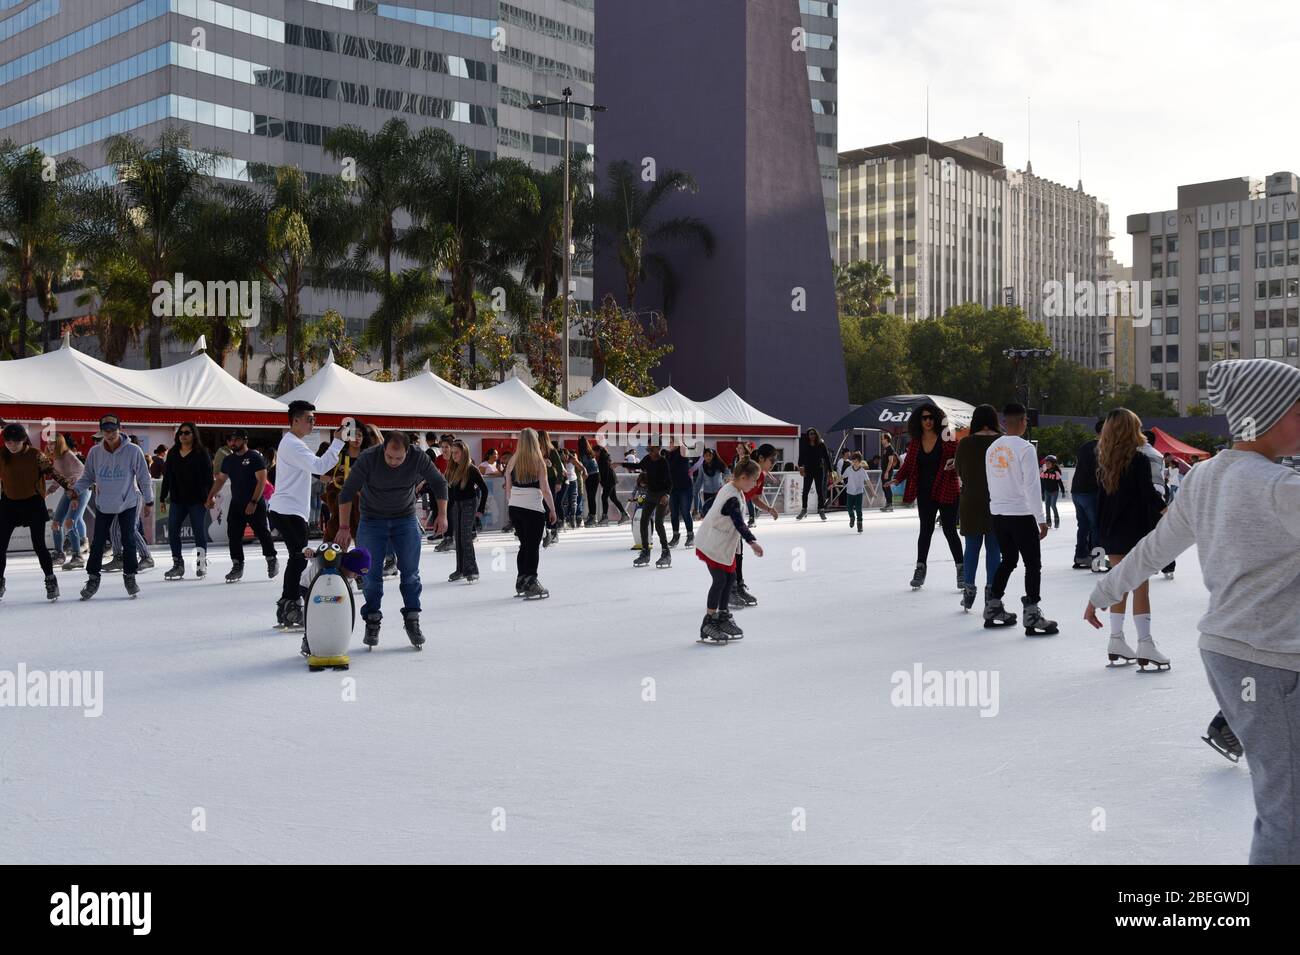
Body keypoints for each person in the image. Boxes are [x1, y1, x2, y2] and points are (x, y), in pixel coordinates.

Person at [1084, 358, 1300, 863]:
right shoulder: (1279, 488)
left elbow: (1154, 547)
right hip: (1269, 659)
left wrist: (1103, 591)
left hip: (1229, 655)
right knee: (1287, 810)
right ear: (1268, 415)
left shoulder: (1205, 477)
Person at [334, 431, 447, 649]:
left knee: (411, 573)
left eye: (399, 458)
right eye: (389, 457)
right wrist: (344, 527)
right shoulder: (369, 457)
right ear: (383, 448)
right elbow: (347, 492)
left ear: (408, 451)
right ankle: (372, 619)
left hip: (404, 518)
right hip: (372, 519)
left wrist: (442, 514)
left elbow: (439, 482)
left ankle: (412, 619)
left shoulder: (418, 456)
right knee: (370, 574)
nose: (394, 462)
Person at [1095, 409, 1170, 669]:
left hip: (1112, 532)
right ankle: (1145, 644)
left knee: (1120, 585)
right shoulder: (1138, 460)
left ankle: (1116, 639)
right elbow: (1148, 494)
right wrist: (1167, 511)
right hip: (1135, 531)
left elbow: (1101, 503)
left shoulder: (1104, 461)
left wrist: (1101, 534)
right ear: (1131, 430)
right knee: (1141, 587)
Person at [267, 401, 345, 628]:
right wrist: (338, 441)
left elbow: (310, 470)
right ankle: (290, 604)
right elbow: (320, 466)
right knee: (299, 558)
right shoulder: (293, 444)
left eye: (314, 419)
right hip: (288, 510)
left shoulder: (293, 444)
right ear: (296, 420)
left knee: (298, 557)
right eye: (309, 419)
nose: (313, 422)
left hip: (289, 509)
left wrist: (323, 478)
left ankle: (288, 605)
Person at [983, 403, 1056, 634]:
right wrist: (1041, 519)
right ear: (1024, 420)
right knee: (1032, 563)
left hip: (998, 514)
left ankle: (993, 604)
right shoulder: (1025, 448)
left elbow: (991, 481)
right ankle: (1032, 612)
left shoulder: (993, 448)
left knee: (1009, 559)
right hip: (1021, 514)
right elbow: (1032, 486)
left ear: (1005, 421)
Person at [76, 414, 154, 601]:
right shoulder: (95, 452)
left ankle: (130, 576)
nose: (109, 434)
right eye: (106, 431)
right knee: (97, 543)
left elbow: (144, 477)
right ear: (101, 432)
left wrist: (149, 501)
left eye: (113, 430)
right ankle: (93, 578)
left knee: (128, 539)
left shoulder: (133, 451)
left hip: (128, 502)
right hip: (104, 504)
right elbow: (87, 477)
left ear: (120, 429)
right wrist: (75, 490)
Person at [0, 423, 78, 602]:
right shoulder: (2, 455)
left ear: (23, 441)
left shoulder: (36, 455)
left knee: (39, 545)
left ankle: (50, 579)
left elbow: (54, 473)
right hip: (8, 504)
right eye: (8, 442)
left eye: (15, 442)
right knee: (0, 546)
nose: (11, 445)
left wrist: (70, 490)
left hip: (33, 503)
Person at [892, 402, 963, 590]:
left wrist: (955, 462)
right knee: (926, 530)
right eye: (924, 418)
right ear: (919, 420)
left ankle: (961, 569)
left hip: (946, 487)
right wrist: (897, 479)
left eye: (931, 417)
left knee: (949, 530)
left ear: (937, 419)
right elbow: (908, 465)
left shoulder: (947, 437)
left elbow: (960, 456)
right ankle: (920, 568)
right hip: (925, 492)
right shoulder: (916, 442)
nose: (928, 421)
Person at [694, 458, 765, 643]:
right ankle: (708, 622)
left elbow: (712, 504)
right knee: (719, 580)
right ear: (743, 477)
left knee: (730, 578)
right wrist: (753, 542)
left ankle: (723, 616)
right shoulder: (732, 496)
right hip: (713, 544)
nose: (756, 483)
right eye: (754, 479)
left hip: (723, 544)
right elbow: (739, 523)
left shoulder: (733, 488)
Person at [205, 429, 279, 583]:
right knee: (233, 534)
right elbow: (220, 480)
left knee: (262, 532)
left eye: (236, 440)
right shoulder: (229, 460)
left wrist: (253, 502)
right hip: (237, 503)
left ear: (245, 440)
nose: (232, 443)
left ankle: (271, 559)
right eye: (230, 440)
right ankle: (237, 565)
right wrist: (210, 495)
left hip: (254, 502)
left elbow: (261, 481)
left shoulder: (254, 457)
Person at [954, 403, 1003, 612]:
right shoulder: (1002, 442)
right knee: (994, 550)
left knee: (971, 548)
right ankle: (991, 593)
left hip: (971, 502)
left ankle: (969, 590)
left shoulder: (965, 443)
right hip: (997, 502)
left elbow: (960, 472)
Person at [503, 428, 557, 599]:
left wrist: (512, 503)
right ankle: (531, 580)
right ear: (535, 442)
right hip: (533, 508)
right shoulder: (538, 461)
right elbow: (546, 489)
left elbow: (508, 486)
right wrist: (553, 510)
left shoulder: (513, 460)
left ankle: (521, 580)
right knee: (533, 546)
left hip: (515, 508)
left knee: (524, 545)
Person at [159, 422, 212, 580]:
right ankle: (178, 565)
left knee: (198, 531)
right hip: (177, 500)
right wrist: (162, 498)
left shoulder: (202, 453)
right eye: (181, 433)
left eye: (187, 432)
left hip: (198, 500)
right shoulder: (173, 452)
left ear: (194, 434)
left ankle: (201, 563)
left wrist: (211, 496)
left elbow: (208, 477)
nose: (183, 435)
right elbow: (167, 476)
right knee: (173, 531)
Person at [730, 443, 779, 608]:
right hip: (729, 514)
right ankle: (730, 590)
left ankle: (738, 585)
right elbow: (733, 488)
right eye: (772, 460)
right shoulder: (748, 470)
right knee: (730, 554)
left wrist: (769, 509)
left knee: (738, 553)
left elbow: (755, 498)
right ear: (761, 458)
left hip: (738, 515)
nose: (773, 463)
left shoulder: (762, 476)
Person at [445, 439, 488, 583]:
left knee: (465, 537)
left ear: (464, 453)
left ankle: (472, 570)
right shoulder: (453, 469)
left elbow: (484, 489)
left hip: (469, 504)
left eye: (456, 453)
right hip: (457, 505)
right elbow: (450, 492)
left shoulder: (471, 469)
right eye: (452, 453)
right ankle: (461, 569)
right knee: (458, 537)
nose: (454, 456)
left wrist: (481, 508)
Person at [48, 433, 90, 570]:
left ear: (59, 443)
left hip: (80, 490)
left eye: (52, 443)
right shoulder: (57, 458)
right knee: (56, 523)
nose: (49, 446)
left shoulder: (69, 456)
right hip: (69, 491)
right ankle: (59, 554)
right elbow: (58, 478)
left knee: (70, 521)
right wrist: (49, 491)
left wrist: (74, 495)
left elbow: (80, 474)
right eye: (48, 443)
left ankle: (77, 556)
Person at [630, 442, 672, 568]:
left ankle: (666, 553)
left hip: (662, 495)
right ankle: (645, 552)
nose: (650, 451)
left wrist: (667, 495)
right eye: (649, 448)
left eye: (652, 448)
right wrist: (620, 464)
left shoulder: (663, 462)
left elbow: (670, 482)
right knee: (644, 521)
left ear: (658, 449)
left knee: (659, 523)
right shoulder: (647, 459)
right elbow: (637, 465)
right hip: (651, 494)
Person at [1070, 420, 1104, 570]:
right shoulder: (1103, 448)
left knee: (1083, 526)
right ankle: (1098, 561)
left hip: (1077, 490)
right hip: (1091, 491)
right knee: (1096, 526)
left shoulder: (1085, 446)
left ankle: (1081, 556)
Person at [796, 427, 833, 520]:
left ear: (816, 434)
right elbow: (801, 457)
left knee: (819, 490)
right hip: (808, 470)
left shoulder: (821, 444)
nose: (812, 435)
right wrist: (800, 466)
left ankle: (821, 510)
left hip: (819, 470)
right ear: (808, 436)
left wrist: (830, 471)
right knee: (805, 491)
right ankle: (804, 510)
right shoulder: (805, 445)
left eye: (813, 433)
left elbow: (827, 458)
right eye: (810, 434)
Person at [666, 440, 696, 546]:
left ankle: (690, 535)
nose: (669, 444)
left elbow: (683, 447)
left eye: (672, 442)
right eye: (669, 442)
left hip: (685, 488)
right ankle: (675, 536)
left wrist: (679, 440)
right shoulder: (668, 455)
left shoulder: (683, 452)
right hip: (673, 489)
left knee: (685, 512)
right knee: (674, 514)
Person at [538, 430, 565, 546]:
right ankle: (545, 532)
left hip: (550, 480)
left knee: (549, 506)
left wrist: (559, 483)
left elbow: (560, 468)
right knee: (541, 506)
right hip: (539, 480)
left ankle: (553, 531)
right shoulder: (536, 451)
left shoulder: (552, 451)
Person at [595, 442, 627, 525]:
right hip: (611, 480)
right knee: (613, 498)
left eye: (595, 452)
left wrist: (603, 482)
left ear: (598, 451)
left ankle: (605, 517)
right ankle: (624, 514)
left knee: (604, 497)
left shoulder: (603, 458)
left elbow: (605, 471)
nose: (594, 454)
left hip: (609, 481)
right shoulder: (604, 457)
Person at [691, 447, 730, 515]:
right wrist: (695, 491)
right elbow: (699, 480)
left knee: (718, 512)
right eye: (706, 456)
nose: (708, 457)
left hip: (718, 492)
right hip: (707, 493)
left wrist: (726, 478)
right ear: (703, 457)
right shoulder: (702, 467)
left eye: (710, 455)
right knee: (708, 512)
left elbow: (727, 472)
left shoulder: (718, 465)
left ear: (713, 456)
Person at [841, 452, 870, 534]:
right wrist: (833, 484)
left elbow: (868, 481)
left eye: (856, 461)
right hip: (850, 492)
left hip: (858, 492)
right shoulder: (849, 469)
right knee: (849, 508)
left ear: (860, 462)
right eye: (853, 461)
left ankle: (860, 523)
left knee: (858, 509)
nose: (854, 463)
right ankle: (852, 518)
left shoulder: (862, 471)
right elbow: (842, 477)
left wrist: (873, 491)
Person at [577, 437, 600, 527]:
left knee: (591, 497)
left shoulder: (583, 454)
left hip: (591, 476)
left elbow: (585, 466)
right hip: (596, 475)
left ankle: (592, 517)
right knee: (591, 497)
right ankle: (592, 516)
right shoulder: (590, 452)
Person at [1039, 455, 1064, 529]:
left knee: (1053, 505)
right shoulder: (1044, 472)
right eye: (1046, 463)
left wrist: (1063, 491)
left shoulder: (1056, 472)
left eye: (1049, 463)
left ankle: (1056, 521)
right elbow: (1041, 482)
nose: (1047, 465)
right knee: (1047, 507)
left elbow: (1060, 482)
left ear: (1053, 464)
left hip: (1054, 492)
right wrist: (1042, 492)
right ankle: (1048, 522)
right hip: (1047, 492)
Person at [878, 433, 899, 512]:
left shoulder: (890, 449)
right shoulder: (886, 449)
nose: (881, 440)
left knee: (887, 486)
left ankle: (890, 504)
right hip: (884, 471)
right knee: (884, 487)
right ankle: (888, 503)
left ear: (886, 439)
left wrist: (887, 472)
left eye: (882, 438)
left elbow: (891, 461)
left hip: (887, 471)